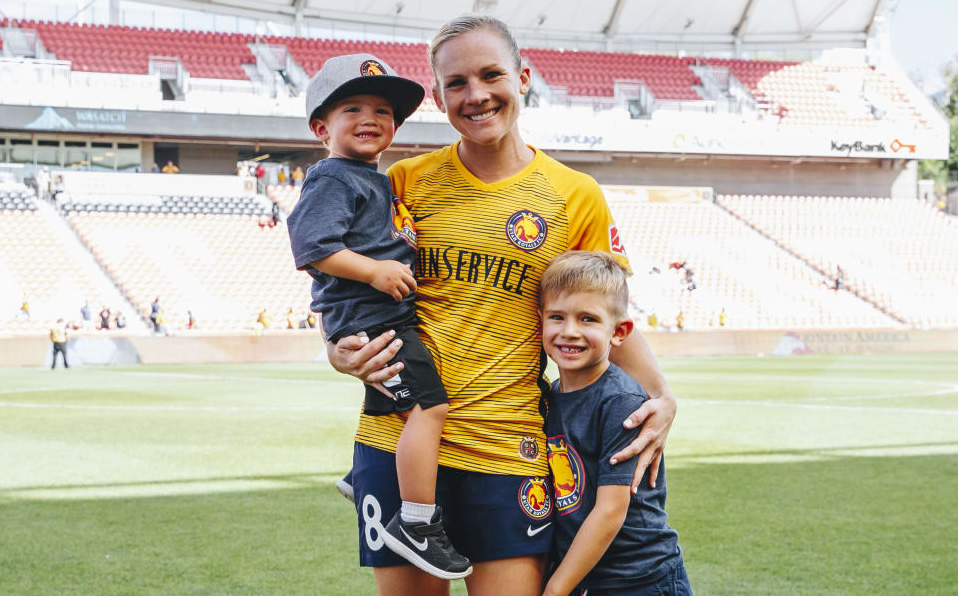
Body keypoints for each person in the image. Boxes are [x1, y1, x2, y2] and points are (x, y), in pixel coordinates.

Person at [325, 16, 677, 596]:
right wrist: (337, 351)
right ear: (437, 96)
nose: (476, 95)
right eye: (457, 83)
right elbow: (343, 283)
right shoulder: (403, 182)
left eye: (491, 75)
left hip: (509, 448)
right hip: (398, 443)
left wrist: (662, 397)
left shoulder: (575, 195)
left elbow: (608, 316)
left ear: (523, 78)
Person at [287, 52, 472, 579]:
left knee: (397, 405)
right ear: (322, 128)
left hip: (387, 316)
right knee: (430, 409)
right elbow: (312, 246)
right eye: (352, 108)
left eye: (382, 110)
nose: (370, 118)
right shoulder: (333, 177)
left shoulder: (373, 178)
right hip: (372, 321)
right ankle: (416, 522)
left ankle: (359, 477)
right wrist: (373, 271)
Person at [539, 252, 690, 596]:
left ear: (619, 332)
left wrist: (556, 589)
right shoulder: (549, 396)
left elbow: (610, 512)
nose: (569, 332)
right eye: (557, 317)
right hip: (591, 578)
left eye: (588, 319)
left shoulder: (621, 401)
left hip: (641, 579)